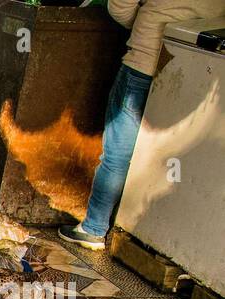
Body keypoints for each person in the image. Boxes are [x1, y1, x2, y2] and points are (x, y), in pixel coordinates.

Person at [61, 0, 225, 249]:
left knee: (118, 153)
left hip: (144, 62)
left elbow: (119, 5)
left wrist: (144, 26)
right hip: (198, 69)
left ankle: (94, 228)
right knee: (174, 155)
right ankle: (158, 238)